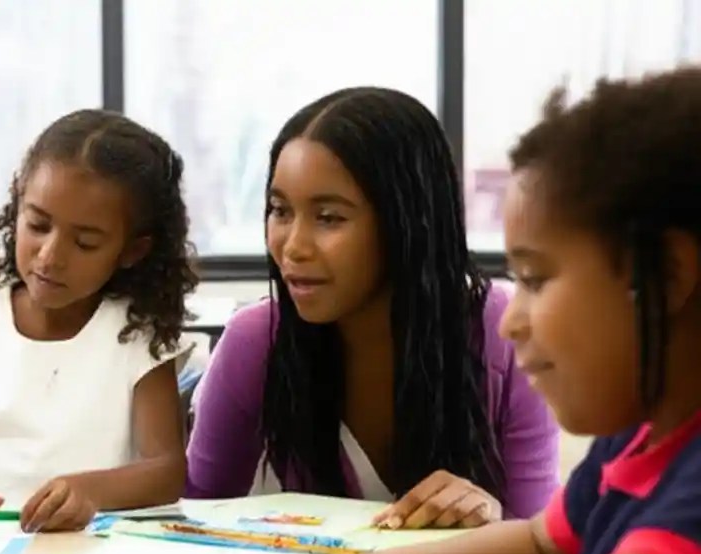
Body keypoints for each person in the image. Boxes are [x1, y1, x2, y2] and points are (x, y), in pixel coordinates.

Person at [119, 69, 701, 554]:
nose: (512, 319)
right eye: (279, 210)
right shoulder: (646, 440)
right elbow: (542, 547)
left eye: (536, 279)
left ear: (666, 276)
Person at [187, 87, 558, 527]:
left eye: (329, 218)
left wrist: (489, 519)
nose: (293, 246)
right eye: (280, 210)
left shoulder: (504, 330)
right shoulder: (256, 340)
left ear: (407, 221)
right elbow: (193, 515)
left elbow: (544, 546)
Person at [0, 109, 199, 532]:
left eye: (85, 243)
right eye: (37, 224)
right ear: (17, 205)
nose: (50, 256)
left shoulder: (136, 334)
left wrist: (88, 491)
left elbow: (165, 473)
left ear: (131, 251)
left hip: (93, 547)